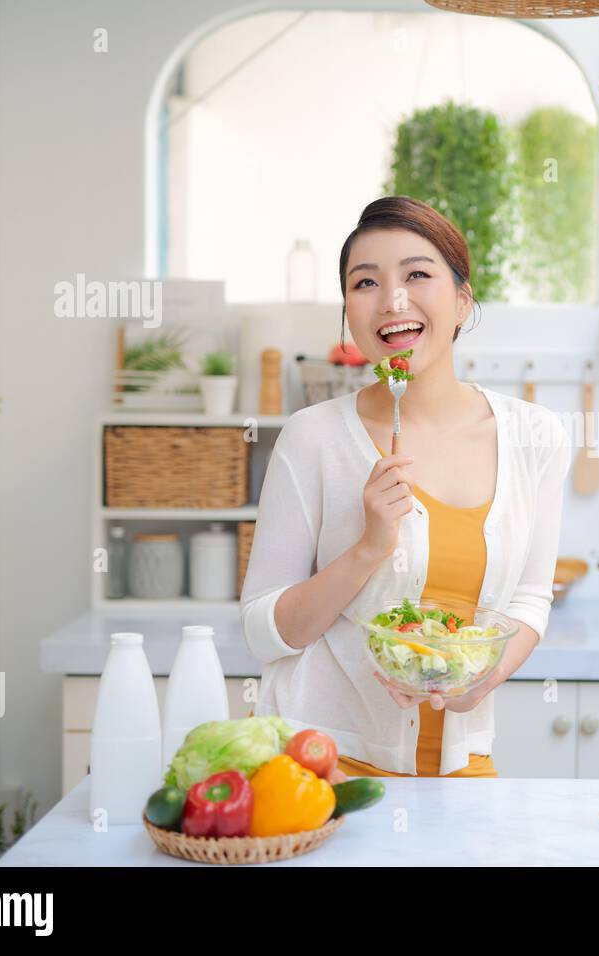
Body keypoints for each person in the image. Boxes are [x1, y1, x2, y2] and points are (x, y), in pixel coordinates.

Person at [240, 195, 571, 777]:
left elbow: (528, 598)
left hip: (462, 766)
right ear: (349, 311)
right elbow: (267, 633)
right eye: (365, 282)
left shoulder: (535, 437)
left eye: (418, 274)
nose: (393, 300)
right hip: (325, 770)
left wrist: (481, 681)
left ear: (463, 301)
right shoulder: (311, 438)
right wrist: (369, 547)